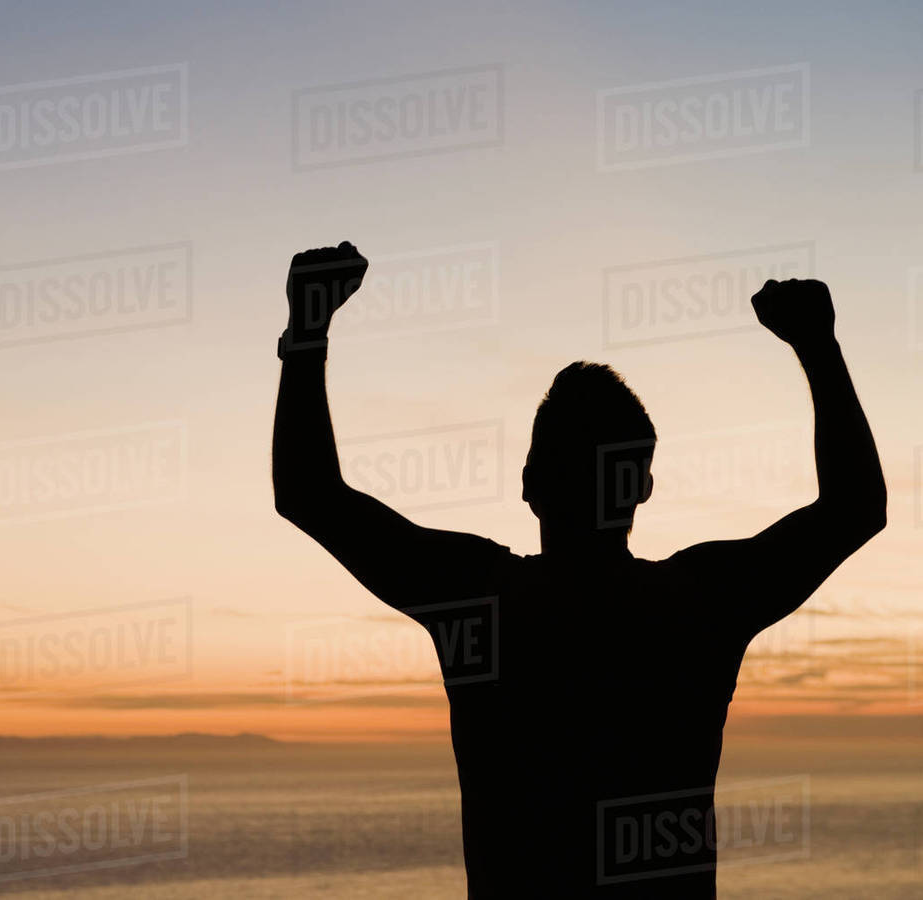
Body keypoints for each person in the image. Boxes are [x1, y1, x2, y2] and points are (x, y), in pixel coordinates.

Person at [272, 241, 886, 897]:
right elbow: (854, 508)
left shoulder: (477, 599)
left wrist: (309, 329)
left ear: (529, 481)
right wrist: (817, 346)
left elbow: (308, 493)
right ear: (642, 486)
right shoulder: (699, 604)